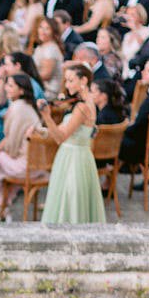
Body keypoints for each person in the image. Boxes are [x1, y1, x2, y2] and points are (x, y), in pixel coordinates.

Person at [38, 64, 105, 225]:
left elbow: (61, 137)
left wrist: (47, 117)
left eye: (70, 80)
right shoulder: (87, 103)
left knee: (70, 200)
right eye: (66, 81)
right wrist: (43, 131)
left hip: (74, 159)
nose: (67, 85)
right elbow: (60, 132)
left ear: (83, 80)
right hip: (77, 155)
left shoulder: (82, 107)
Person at [0, 72, 42, 219]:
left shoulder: (18, 107)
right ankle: (3, 207)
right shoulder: (27, 106)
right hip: (36, 165)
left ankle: (1, 204)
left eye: (11, 85)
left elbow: (12, 143)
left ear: (21, 90)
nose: (6, 88)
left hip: (26, 167)